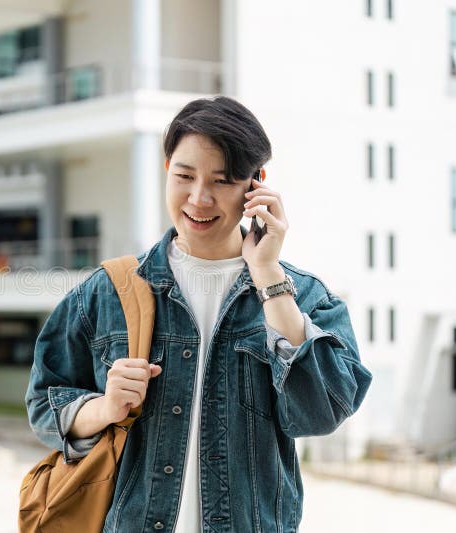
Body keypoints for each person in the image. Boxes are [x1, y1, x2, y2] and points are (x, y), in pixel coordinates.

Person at [25, 96, 372, 533]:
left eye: (222, 181)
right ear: (167, 167)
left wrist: (268, 276)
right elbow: (43, 401)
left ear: (256, 185)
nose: (199, 198)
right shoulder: (109, 292)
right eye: (184, 176)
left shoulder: (303, 296)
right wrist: (104, 408)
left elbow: (323, 412)